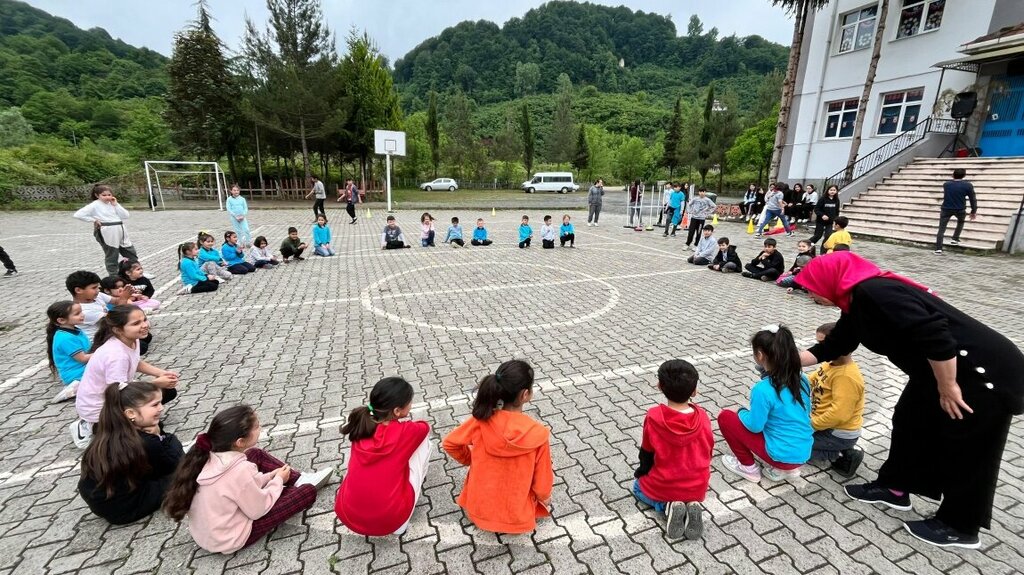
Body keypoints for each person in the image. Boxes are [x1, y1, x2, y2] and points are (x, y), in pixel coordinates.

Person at [794, 252, 1023, 549]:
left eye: (811, 286)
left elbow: (936, 335)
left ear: (830, 280)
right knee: (910, 421)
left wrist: (948, 386)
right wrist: (785, 361)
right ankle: (895, 488)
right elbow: (835, 345)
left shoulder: (876, 292)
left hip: (978, 374)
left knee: (969, 448)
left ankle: (960, 526)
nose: (809, 293)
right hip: (936, 373)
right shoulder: (855, 302)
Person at [162, 406, 333, 554]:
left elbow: (240, 485)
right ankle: (298, 483)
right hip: (232, 538)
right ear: (240, 442)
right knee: (307, 491)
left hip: (207, 535)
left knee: (255, 454)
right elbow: (258, 510)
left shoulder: (204, 455)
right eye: (257, 426)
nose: (260, 427)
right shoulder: (239, 470)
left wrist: (270, 477)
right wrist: (277, 481)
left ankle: (297, 479)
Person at [442, 360, 553, 534]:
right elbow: (542, 482)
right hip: (516, 517)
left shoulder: (481, 420)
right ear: (525, 394)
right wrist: (544, 498)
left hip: (478, 512)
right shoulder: (538, 434)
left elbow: (450, 443)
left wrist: (470, 459)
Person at [71, 305, 179, 449]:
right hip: (103, 407)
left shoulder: (132, 339)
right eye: (136, 323)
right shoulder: (116, 355)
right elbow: (118, 392)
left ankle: (130, 423)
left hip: (118, 394)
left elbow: (136, 361)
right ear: (117, 330)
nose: (144, 325)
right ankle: (90, 426)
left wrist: (161, 373)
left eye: (144, 319)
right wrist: (156, 383)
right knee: (147, 435)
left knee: (168, 392)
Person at [335, 377, 431, 536]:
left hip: (348, 515)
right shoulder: (406, 431)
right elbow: (425, 427)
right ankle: (402, 521)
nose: (411, 404)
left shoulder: (361, 426)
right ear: (397, 411)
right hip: (391, 521)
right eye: (409, 402)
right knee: (425, 442)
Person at [79, 381, 184, 524]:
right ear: (130, 413)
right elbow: (176, 463)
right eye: (155, 405)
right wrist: (160, 436)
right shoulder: (146, 442)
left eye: (160, 403)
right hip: (125, 508)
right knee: (185, 475)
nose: (161, 408)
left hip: (100, 502)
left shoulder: (111, 432)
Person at [718, 325, 812, 483]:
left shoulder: (762, 389)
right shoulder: (802, 380)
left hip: (781, 455)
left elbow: (755, 426)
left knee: (726, 417)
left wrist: (740, 411)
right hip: (803, 453)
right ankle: (786, 470)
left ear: (760, 355)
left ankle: (748, 468)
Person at [632, 359, 713, 541]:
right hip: (697, 487)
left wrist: (641, 472)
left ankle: (667, 506)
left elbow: (646, 453)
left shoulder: (654, 416)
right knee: (687, 489)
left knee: (637, 487)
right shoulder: (703, 416)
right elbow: (708, 451)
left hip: (665, 485)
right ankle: (691, 504)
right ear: (694, 391)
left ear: (659, 386)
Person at [807, 322, 865, 478]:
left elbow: (839, 414)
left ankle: (843, 455)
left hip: (837, 432)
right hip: (825, 424)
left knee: (794, 449)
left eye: (823, 344)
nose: (818, 348)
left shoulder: (846, 377)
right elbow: (811, 380)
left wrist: (810, 426)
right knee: (790, 436)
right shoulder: (830, 363)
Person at [74, 184, 139, 275]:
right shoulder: (94, 205)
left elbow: (125, 215)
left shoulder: (113, 204)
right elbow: (78, 214)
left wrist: (116, 205)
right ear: (97, 195)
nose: (107, 197)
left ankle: (137, 272)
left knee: (130, 251)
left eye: (109, 194)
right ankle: (114, 275)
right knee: (112, 254)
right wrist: (93, 220)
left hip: (120, 229)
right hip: (107, 231)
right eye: (104, 195)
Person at [66, 270, 128, 343]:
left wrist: (127, 296)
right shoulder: (83, 310)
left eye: (98, 287)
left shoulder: (96, 296)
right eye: (94, 288)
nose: (98, 290)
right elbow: (116, 318)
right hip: (98, 342)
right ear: (78, 290)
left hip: (108, 332)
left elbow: (116, 301)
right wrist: (124, 298)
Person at [47, 301, 91, 403]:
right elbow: (82, 359)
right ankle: (76, 387)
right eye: (77, 314)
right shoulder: (65, 338)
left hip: (83, 368)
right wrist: (102, 352)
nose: (82, 315)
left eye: (81, 312)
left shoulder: (76, 330)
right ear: (61, 320)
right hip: (75, 373)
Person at [934, 168, 978, 254]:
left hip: (946, 208)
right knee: (960, 222)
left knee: (941, 228)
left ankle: (938, 249)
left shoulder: (946, 184)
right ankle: (955, 238)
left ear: (953, 175)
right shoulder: (968, 185)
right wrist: (973, 211)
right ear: (964, 176)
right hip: (960, 209)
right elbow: (972, 199)